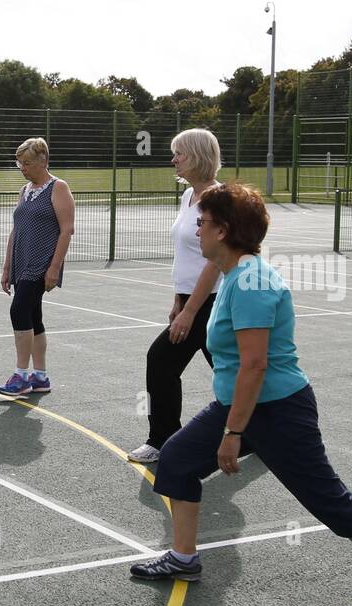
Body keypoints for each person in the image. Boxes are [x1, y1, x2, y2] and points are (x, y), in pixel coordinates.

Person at [129, 182, 352, 606]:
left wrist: (233, 435)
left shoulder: (251, 282)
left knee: (327, 498)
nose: (196, 230)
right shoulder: (233, 274)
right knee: (177, 461)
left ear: (223, 230)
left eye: (202, 223)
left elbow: (255, 366)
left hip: (278, 410)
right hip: (239, 404)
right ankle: (184, 557)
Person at [127, 129, 223, 462]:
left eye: (179, 154)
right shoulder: (188, 197)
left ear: (197, 156)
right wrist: (178, 301)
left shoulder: (218, 198)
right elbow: (187, 257)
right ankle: (255, 432)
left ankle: (162, 439)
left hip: (213, 303)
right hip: (192, 301)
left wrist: (190, 311)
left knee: (161, 360)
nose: (173, 160)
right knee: (228, 371)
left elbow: (214, 262)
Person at [0, 137, 75, 397]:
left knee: (19, 312)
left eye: (27, 162)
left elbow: (66, 231)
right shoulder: (25, 190)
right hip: (22, 262)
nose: (22, 167)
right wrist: (7, 267)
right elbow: (16, 230)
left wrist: (54, 268)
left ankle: (21, 375)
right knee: (33, 317)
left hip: (41, 264)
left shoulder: (58, 187)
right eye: (20, 162)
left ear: (43, 161)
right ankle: (40, 376)